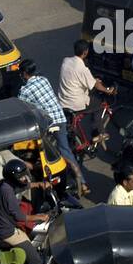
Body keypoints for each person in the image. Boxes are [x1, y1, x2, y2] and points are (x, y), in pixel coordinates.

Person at [18, 58, 87, 195]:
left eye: (21, 73)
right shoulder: (44, 79)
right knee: (65, 150)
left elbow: (20, 109)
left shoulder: (24, 90)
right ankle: (83, 183)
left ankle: (52, 181)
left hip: (48, 124)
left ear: (25, 73)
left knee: (45, 154)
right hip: (60, 119)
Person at [0, 158, 48, 264]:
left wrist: (38, 184)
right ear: (14, 178)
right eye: (21, 177)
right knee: (36, 262)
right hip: (5, 231)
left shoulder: (4, 183)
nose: (24, 179)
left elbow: (21, 187)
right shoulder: (8, 193)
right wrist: (39, 217)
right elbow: (20, 217)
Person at [58, 39, 115, 121]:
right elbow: (97, 86)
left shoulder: (66, 61)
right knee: (100, 104)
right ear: (85, 52)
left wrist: (93, 79)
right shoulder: (83, 69)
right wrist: (107, 90)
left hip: (63, 100)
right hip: (75, 103)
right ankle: (97, 132)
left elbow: (76, 77)